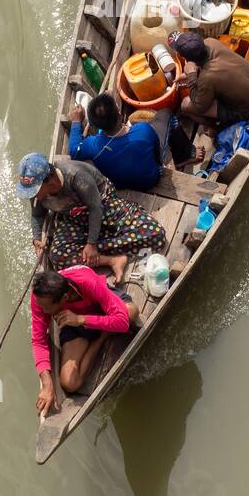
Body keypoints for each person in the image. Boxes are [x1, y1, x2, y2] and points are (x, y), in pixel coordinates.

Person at [17, 152, 167, 274]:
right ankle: (111, 260)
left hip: (102, 205)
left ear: (49, 181)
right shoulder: (37, 196)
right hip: (73, 216)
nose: (32, 195)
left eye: (35, 190)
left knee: (155, 233)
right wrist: (36, 238)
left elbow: (95, 208)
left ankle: (91, 248)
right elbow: (37, 215)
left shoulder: (76, 177)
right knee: (57, 257)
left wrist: (92, 243)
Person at [31, 266, 137, 416]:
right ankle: (102, 337)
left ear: (65, 298)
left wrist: (80, 319)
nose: (42, 311)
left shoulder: (88, 282)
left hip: (97, 309)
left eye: (47, 308)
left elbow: (122, 322)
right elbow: (38, 341)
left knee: (131, 313)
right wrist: (47, 384)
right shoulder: (39, 298)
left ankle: (103, 330)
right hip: (72, 323)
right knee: (69, 382)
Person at [68, 93, 198, 186]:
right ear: (119, 113)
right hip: (152, 179)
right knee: (166, 114)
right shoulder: (143, 129)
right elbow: (156, 152)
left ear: (95, 126)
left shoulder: (93, 145)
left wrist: (75, 122)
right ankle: (184, 156)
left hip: (119, 184)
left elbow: (74, 150)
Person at [169, 30, 249, 131]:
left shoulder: (207, 77)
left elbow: (199, 107)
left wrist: (191, 77)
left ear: (185, 58)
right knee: (209, 89)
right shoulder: (211, 42)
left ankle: (216, 128)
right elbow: (205, 64)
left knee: (185, 105)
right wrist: (187, 74)